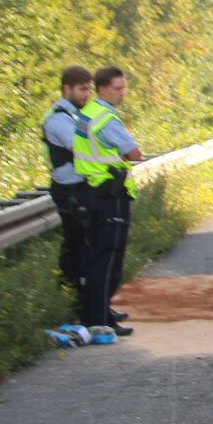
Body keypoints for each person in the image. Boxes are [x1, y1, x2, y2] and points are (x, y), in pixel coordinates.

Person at [75, 66, 144, 335]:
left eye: (124, 88)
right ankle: (102, 319)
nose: (122, 93)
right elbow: (134, 152)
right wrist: (125, 155)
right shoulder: (106, 119)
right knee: (109, 260)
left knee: (96, 258)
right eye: (118, 88)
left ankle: (97, 311)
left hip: (91, 190)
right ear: (102, 89)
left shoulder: (86, 114)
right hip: (110, 194)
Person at [40, 65, 95, 314]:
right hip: (69, 189)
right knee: (80, 245)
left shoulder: (74, 116)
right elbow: (82, 151)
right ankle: (79, 300)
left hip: (79, 186)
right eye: (82, 89)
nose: (87, 95)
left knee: (77, 243)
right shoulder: (59, 118)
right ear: (66, 89)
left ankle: (78, 297)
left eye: (89, 90)